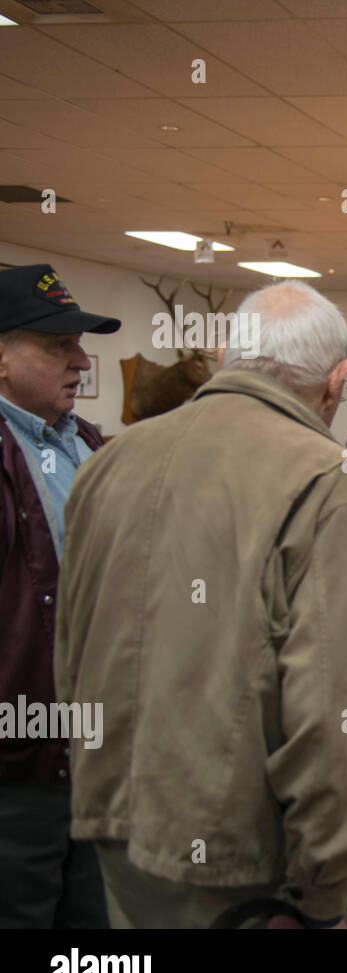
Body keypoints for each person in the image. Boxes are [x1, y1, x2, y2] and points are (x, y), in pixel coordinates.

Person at [54, 281, 347, 929]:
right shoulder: (335, 485)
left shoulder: (108, 463)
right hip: (256, 873)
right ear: (339, 381)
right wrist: (325, 889)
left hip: (119, 835)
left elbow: (72, 653)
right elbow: (341, 720)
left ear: (225, 361)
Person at [0, 264, 118, 929]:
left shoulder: (90, 446)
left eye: (79, 342)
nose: (81, 359)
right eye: (55, 345)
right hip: (20, 763)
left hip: (98, 756)